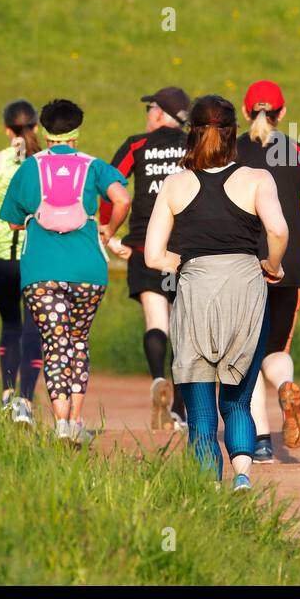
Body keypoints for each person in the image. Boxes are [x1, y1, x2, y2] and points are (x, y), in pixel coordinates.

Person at [144, 95, 288, 491]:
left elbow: (153, 255)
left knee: (201, 409)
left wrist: (186, 258)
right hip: (246, 289)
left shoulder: (175, 185)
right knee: (238, 400)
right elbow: (278, 230)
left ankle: (208, 487)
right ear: (233, 134)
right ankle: (242, 474)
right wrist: (271, 266)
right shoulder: (257, 180)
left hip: (195, 292)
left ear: (191, 135)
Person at [0, 99, 131, 443]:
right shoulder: (94, 166)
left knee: (54, 344)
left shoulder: (29, 168)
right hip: (89, 270)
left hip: (41, 271)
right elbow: (122, 200)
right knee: (77, 342)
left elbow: (13, 221)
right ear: (77, 131)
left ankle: (59, 424)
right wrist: (109, 231)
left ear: (44, 131)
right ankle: (75, 421)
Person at [236, 80, 300, 463]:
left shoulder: (232, 151)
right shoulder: (297, 151)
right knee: (276, 348)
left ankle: (260, 442)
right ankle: (285, 385)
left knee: (246, 354)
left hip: (242, 262)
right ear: (283, 112)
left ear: (246, 112)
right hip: (288, 265)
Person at [107, 86, 191, 431]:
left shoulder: (136, 145)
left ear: (159, 114)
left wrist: (107, 233)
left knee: (157, 321)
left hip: (145, 248)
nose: (147, 115)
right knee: (185, 332)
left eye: (150, 108)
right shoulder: (194, 146)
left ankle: (158, 379)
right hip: (187, 251)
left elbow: (110, 187)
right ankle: (180, 413)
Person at [0, 100, 44, 424]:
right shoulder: (42, 163)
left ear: (7, 129)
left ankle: (6, 392)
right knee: (34, 328)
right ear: (35, 127)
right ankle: (27, 400)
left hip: (0, 257)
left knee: (9, 324)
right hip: (35, 258)